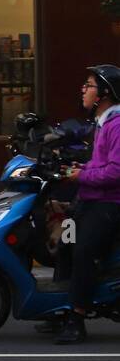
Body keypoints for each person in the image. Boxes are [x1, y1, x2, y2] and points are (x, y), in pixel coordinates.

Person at [42, 65, 120, 343]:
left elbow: (115, 171)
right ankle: (60, 309)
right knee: (65, 244)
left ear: (105, 93)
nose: (83, 90)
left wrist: (82, 174)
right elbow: (100, 164)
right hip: (87, 201)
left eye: (89, 86)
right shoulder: (101, 124)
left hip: (107, 207)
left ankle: (77, 317)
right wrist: (77, 167)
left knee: (83, 251)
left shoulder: (117, 124)